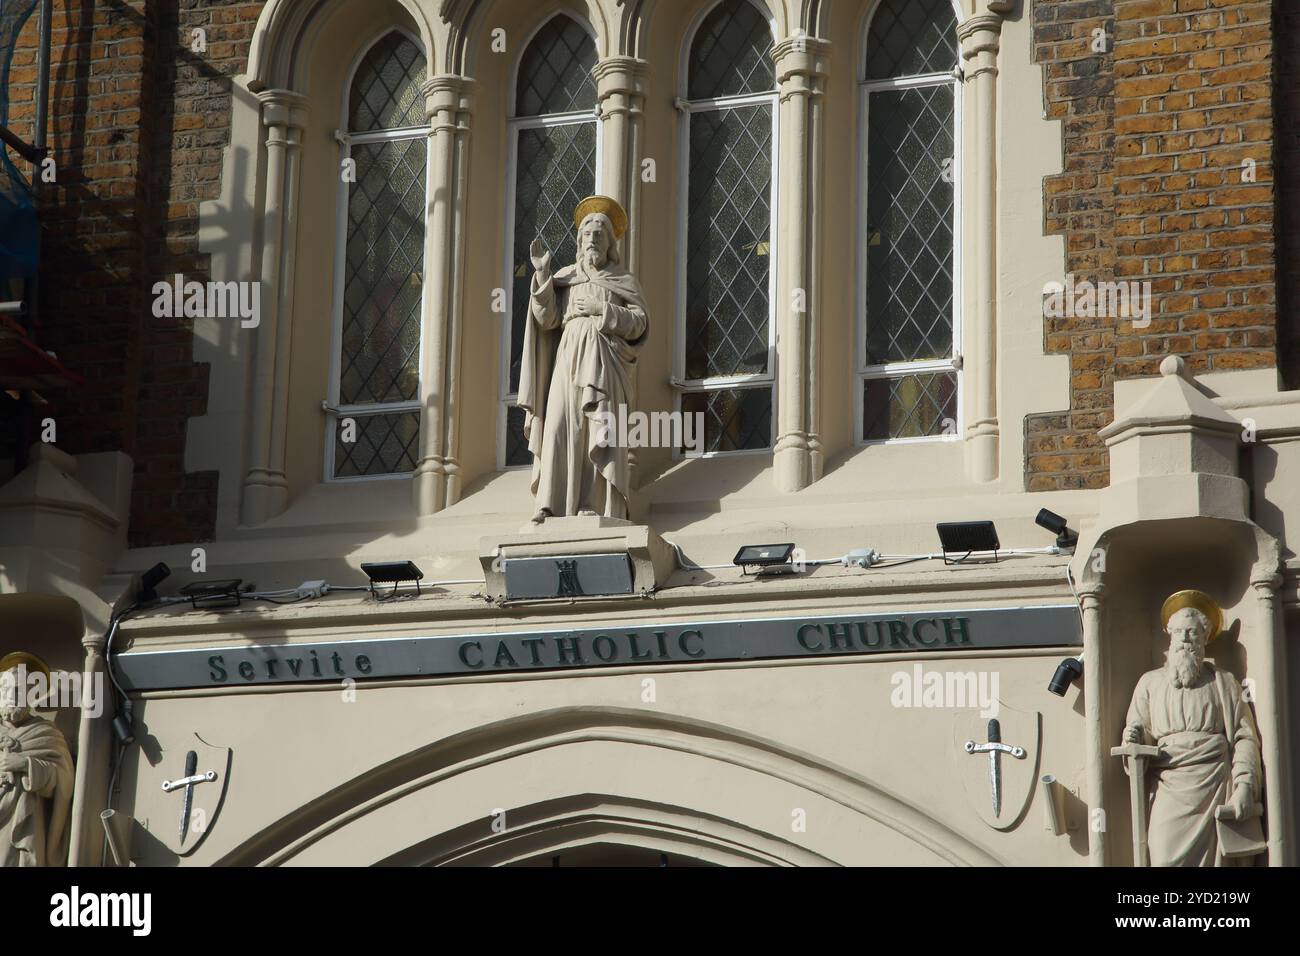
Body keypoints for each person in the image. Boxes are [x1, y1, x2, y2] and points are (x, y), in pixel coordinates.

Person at [517, 195, 648, 524]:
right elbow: (546, 320)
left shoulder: (623, 281)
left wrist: (602, 310)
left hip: (605, 364)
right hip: (568, 360)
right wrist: (543, 277)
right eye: (587, 231)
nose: (593, 236)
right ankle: (550, 502)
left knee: (596, 427)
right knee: (559, 424)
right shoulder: (565, 278)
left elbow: (639, 324)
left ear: (610, 243)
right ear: (579, 241)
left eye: (601, 232)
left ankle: (593, 503)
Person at [1122, 590, 1262, 866]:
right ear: (1170, 636)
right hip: (1169, 784)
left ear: (1204, 639)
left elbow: (1245, 737)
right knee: (1163, 859)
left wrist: (1245, 784)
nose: (1186, 638)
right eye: (1180, 632)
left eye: (1193, 632)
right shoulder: (1149, 683)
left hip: (1215, 783)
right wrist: (1134, 737)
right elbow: (1136, 737)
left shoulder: (1225, 683)